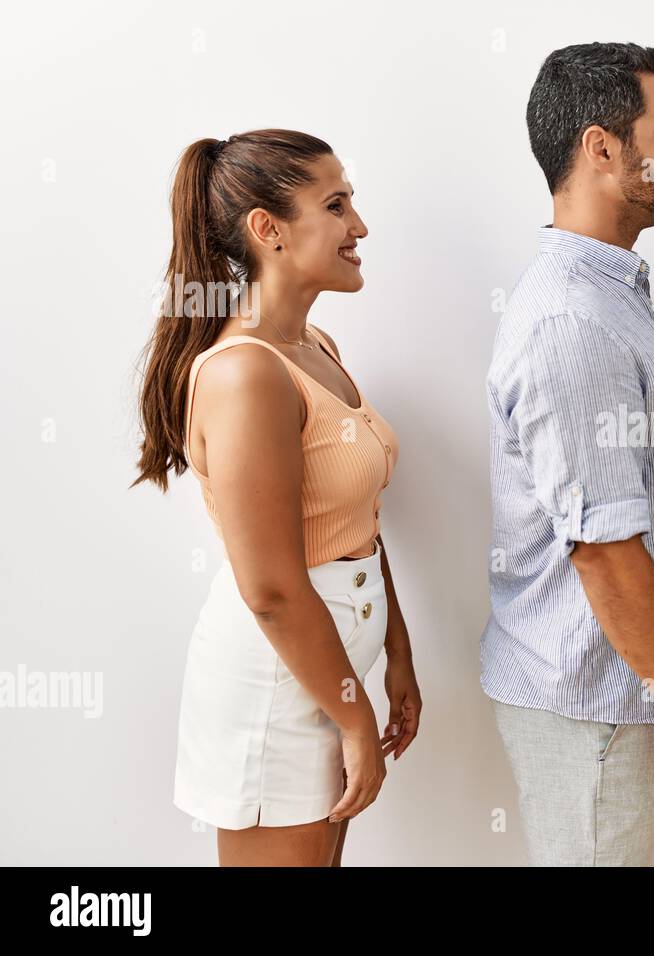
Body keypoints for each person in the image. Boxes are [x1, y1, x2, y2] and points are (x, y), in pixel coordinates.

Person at [131, 129, 422, 866]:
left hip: (334, 670)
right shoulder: (245, 376)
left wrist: (396, 652)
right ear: (268, 230)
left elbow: (357, 523)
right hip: (278, 682)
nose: (358, 225)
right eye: (336, 204)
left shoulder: (315, 347)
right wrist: (355, 722)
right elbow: (270, 588)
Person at [482, 43, 654, 866]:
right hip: (592, 698)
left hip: (606, 693)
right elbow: (602, 543)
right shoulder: (573, 322)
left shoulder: (604, 297)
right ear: (601, 148)